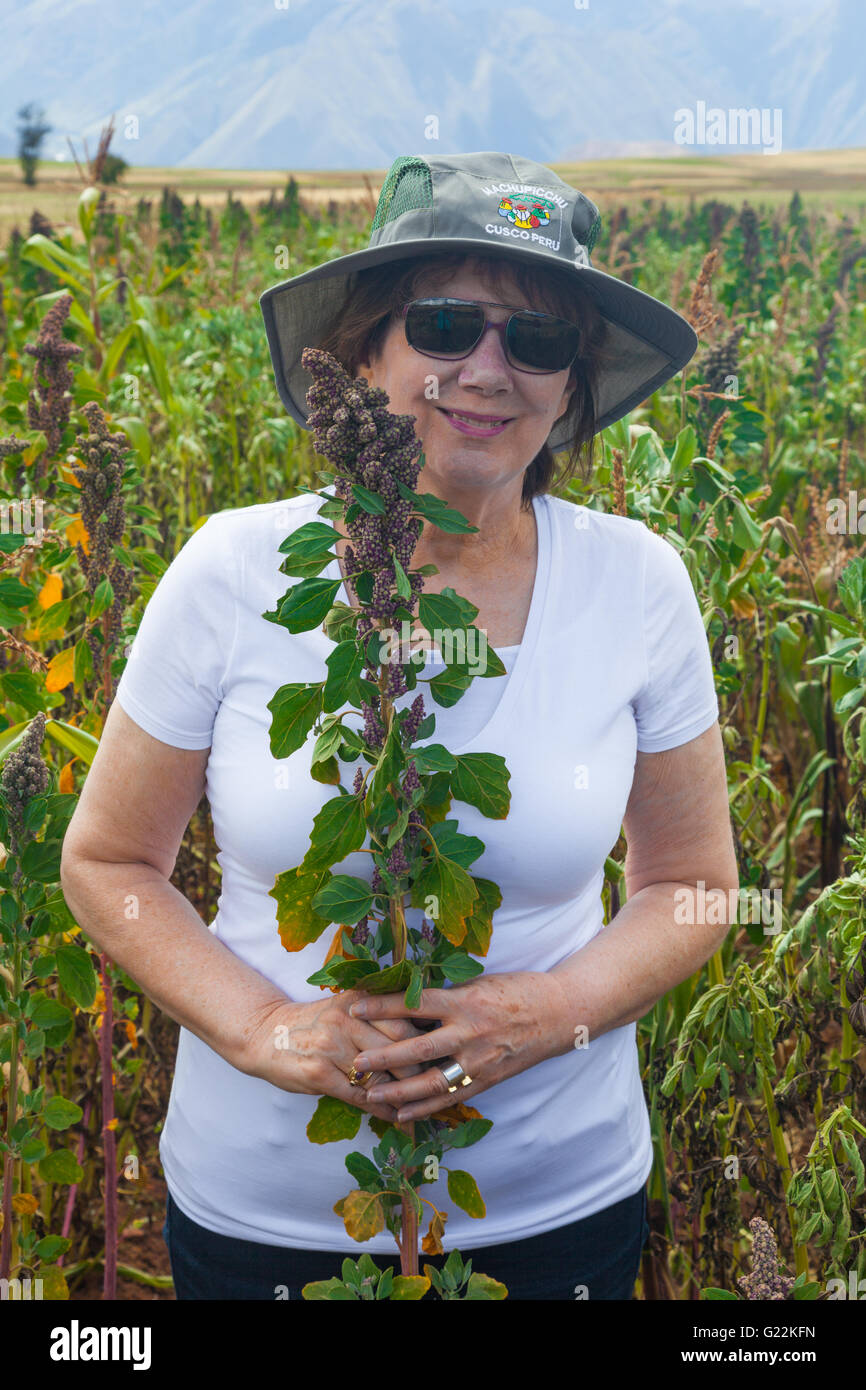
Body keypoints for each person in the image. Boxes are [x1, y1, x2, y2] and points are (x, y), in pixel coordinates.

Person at [59, 151, 738, 1301]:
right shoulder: (238, 568)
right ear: (368, 351)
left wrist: (551, 1012)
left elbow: (694, 886)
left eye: (535, 339)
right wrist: (267, 1029)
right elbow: (110, 864)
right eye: (442, 323)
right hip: (266, 1222)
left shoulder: (638, 581)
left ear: (568, 386)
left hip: (556, 1212)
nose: (487, 368)